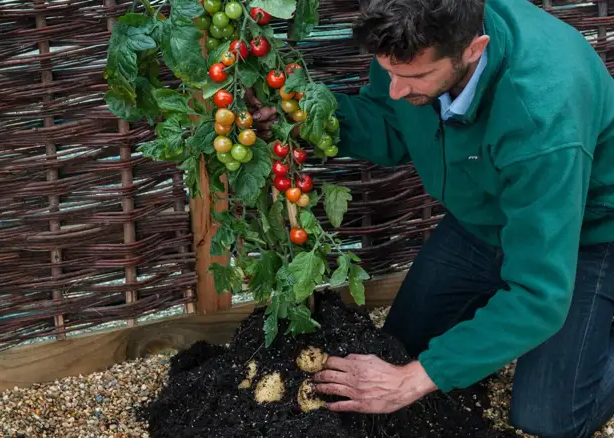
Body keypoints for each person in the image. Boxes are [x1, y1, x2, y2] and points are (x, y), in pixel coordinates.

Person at [249, 0, 614, 436]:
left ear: (474, 49)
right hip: (482, 219)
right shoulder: (411, 32)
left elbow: (540, 292)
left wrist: (411, 381)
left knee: (548, 418)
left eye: (416, 77)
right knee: (400, 346)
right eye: (389, 72)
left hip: (586, 231)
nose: (397, 91)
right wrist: (299, 117)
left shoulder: (542, 113)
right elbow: (390, 125)